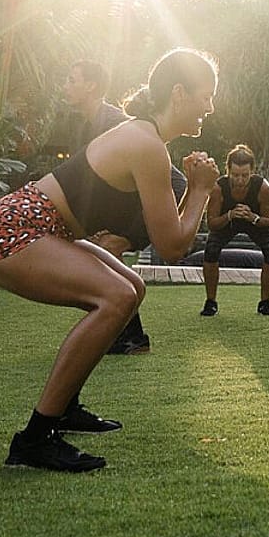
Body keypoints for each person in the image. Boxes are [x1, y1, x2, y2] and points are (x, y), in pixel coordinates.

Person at [0, 49, 219, 472]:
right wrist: (200, 190)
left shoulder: (145, 138)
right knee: (117, 297)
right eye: (206, 95)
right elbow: (173, 246)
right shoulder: (146, 144)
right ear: (179, 93)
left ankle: (65, 408)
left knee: (132, 290)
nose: (210, 107)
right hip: (12, 229)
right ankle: (35, 438)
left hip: (41, 228)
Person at [62, 59, 187, 355]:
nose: (64, 86)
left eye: (71, 80)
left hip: (136, 218)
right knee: (101, 259)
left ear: (91, 86)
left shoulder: (116, 124)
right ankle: (127, 337)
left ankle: (130, 338)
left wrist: (130, 235)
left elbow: (178, 183)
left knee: (107, 255)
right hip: (113, 217)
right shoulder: (85, 125)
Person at [199, 144, 269, 317]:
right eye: (235, 175)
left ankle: (265, 302)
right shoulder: (218, 188)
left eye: (245, 175)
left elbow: (268, 221)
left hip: (254, 221)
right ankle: (210, 302)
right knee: (211, 251)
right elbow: (211, 224)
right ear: (227, 170)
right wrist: (229, 215)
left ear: (252, 171)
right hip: (225, 221)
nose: (240, 180)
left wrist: (253, 218)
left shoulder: (263, 188)